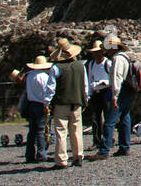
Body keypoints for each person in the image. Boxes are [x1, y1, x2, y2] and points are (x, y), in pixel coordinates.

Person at [90, 36, 134, 159]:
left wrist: (114, 96)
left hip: (120, 92)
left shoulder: (117, 59)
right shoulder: (125, 57)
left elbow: (117, 78)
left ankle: (104, 150)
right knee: (125, 118)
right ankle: (124, 146)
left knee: (110, 121)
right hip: (127, 91)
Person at [49, 38, 87, 168]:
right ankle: (78, 156)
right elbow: (85, 86)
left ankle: (61, 160)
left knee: (61, 132)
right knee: (76, 130)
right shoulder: (81, 66)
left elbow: (50, 88)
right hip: (76, 102)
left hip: (61, 103)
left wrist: (47, 103)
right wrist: (84, 100)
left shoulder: (56, 68)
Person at [18, 55, 57, 164]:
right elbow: (48, 91)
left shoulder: (29, 76)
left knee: (32, 131)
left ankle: (29, 154)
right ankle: (41, 153)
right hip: (41, 104)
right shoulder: (44, 77)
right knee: (42, 129)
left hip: (32, 103)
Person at [83, 40, 110, 149]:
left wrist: (105, 82)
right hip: (96, 92)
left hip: (105, 91)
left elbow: (112, 77)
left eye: (98, 52)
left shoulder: (107, 63)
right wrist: (88, 95)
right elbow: (89, 79)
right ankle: (97, 140)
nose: (96, 54)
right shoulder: (91, 64)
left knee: (108, 117)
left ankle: (108, 139)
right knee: (95, 118)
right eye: (95, 52)